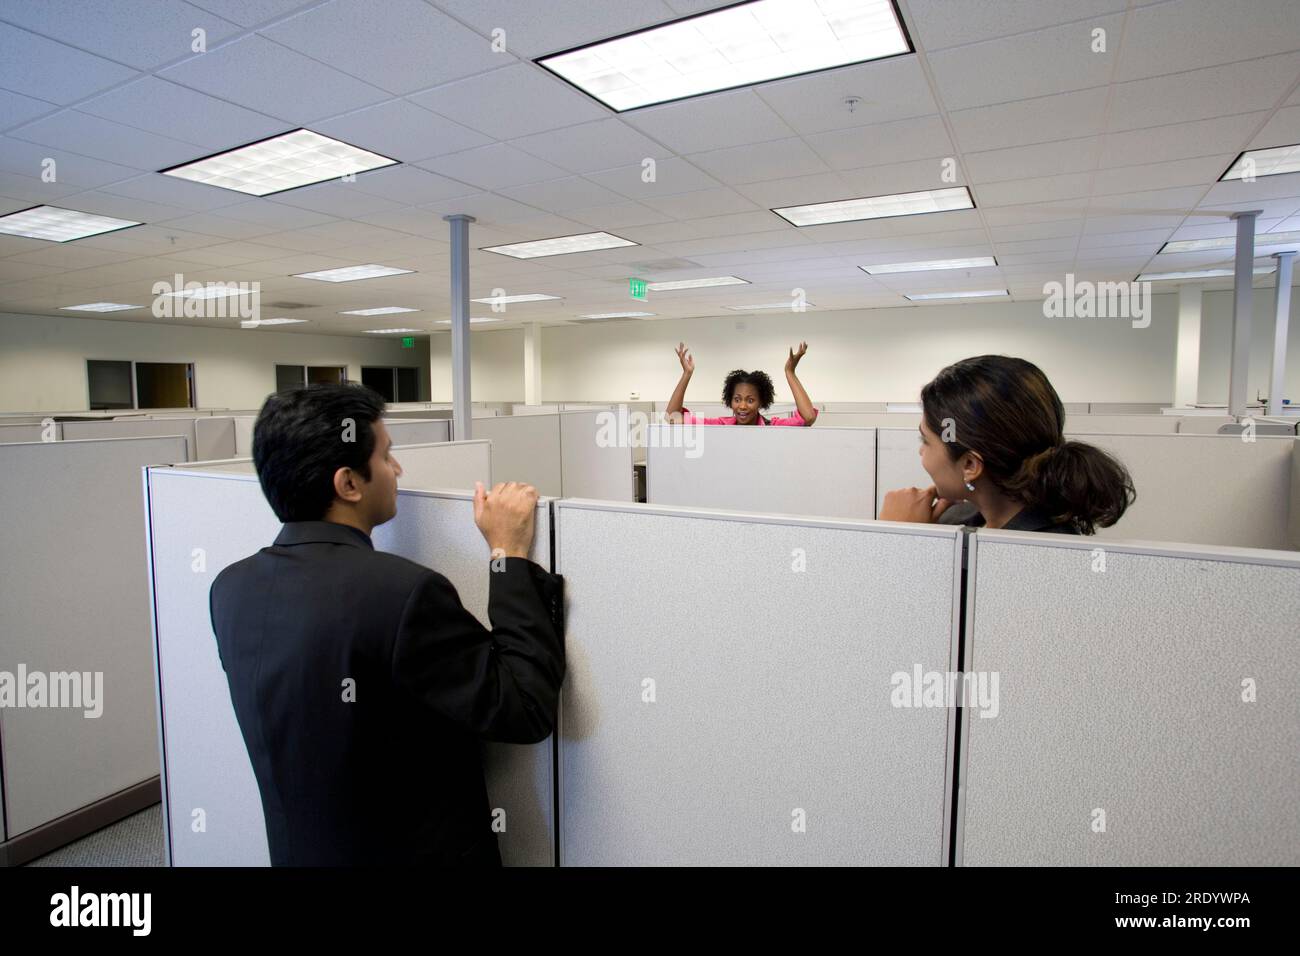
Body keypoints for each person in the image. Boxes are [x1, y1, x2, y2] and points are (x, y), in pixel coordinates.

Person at [209, 383, 564, 866]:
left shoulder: (231, 588)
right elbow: (522, 708)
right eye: (387, 456)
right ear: (349, 483)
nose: (397, 470)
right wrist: (508, 555)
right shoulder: (402, 594)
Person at [878, 355, 1135, 534]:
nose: (921, 451)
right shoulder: (958, 522)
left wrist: (895, 537)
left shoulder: (1044, 559)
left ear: (970, 465)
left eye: (926, 440)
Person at [665, 341, 819, 426]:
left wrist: (790, 373)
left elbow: (808, 417)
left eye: (750, 400)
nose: (742, 406)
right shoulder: (720, 426)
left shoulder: (773, 427)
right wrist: (687, 374)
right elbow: (672, 417)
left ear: (761, 402)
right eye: (737, 399)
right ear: (730, 400)